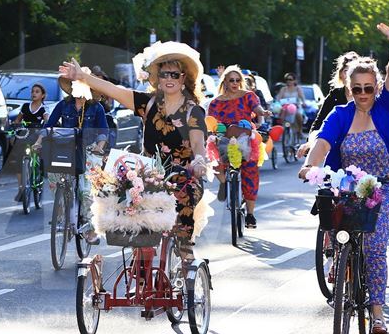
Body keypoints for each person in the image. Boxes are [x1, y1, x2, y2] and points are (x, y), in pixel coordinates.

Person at [299, 22, 389, 334]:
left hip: (386, 183)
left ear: (376, 88)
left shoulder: (386, 106)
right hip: (349, 184)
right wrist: (310, 166)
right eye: (357, 89)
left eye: (368, 88)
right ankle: (342, 258)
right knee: (337, 227)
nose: (363, 94)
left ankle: (377, 314)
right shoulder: (340, 115)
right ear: (350, 90)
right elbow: (322, 142)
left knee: (375, 244)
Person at [59, 41, 209, 261]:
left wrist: (199, 161)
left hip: (184, 176)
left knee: (184, 197)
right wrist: (82, 75)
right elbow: (113, 90)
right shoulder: (147, 104)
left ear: (183, 78)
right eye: (164, 74)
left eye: (175, 75)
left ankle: (185, 249)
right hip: (149, 176)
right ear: (157, 77)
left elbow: (198, 143)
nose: (169, 79)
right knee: (128, 206)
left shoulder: (193, 111)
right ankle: (140, 271)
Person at [39, 75, 109, 243]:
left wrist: (100, 146)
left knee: (86, 190)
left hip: (89, 150)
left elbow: (103, 131)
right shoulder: (64, 105)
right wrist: (38, 142)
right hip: (66, 147)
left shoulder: (96, 107)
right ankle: (61, 208)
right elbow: (49, 126)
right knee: (55, 176)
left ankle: (90, 227)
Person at [208, 65, 269, 228]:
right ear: (225, 82)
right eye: (231, 80)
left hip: (245, 137)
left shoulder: (249, 96)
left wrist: (263, 113)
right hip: (223, 137)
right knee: (213, 153)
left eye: (237, 80)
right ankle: (223, 183)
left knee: (250, 173)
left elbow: (257, 108)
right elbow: (210, 122)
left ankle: (250, 214)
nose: (235, 83)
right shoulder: (215, 102)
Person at [297, 51, 359, 158]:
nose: (349, 75)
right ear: (340, 74)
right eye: (346, 71)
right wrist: (310, 143)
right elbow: (319, 123)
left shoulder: (368, 95)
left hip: (364, 151)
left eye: (353, 71)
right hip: (338, 150)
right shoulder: (334, 95)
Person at [10, 82, 48, 202]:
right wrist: (14, 127)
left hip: (37, 136)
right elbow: (17, 120)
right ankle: (21, 188)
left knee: (41, 156)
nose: (34, 94)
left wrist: (47, 125)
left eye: (37, 92)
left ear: (42, 95)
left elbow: (47, 120)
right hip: (25, 135)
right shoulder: (25, 106)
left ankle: (39, 176)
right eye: (32, 91)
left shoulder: (43, 108)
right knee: (19, 158)